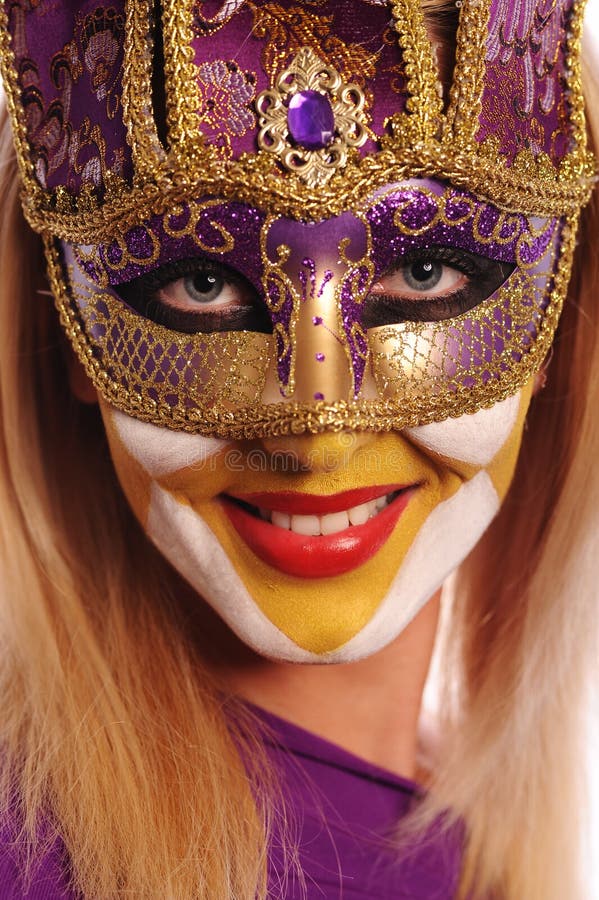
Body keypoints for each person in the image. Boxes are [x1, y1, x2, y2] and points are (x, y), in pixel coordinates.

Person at [0, 0, 597, 896]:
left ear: (555, 325)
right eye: (200, 283)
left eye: (423, 272)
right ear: (70, 326)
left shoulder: (471, 847)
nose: (318, 432)